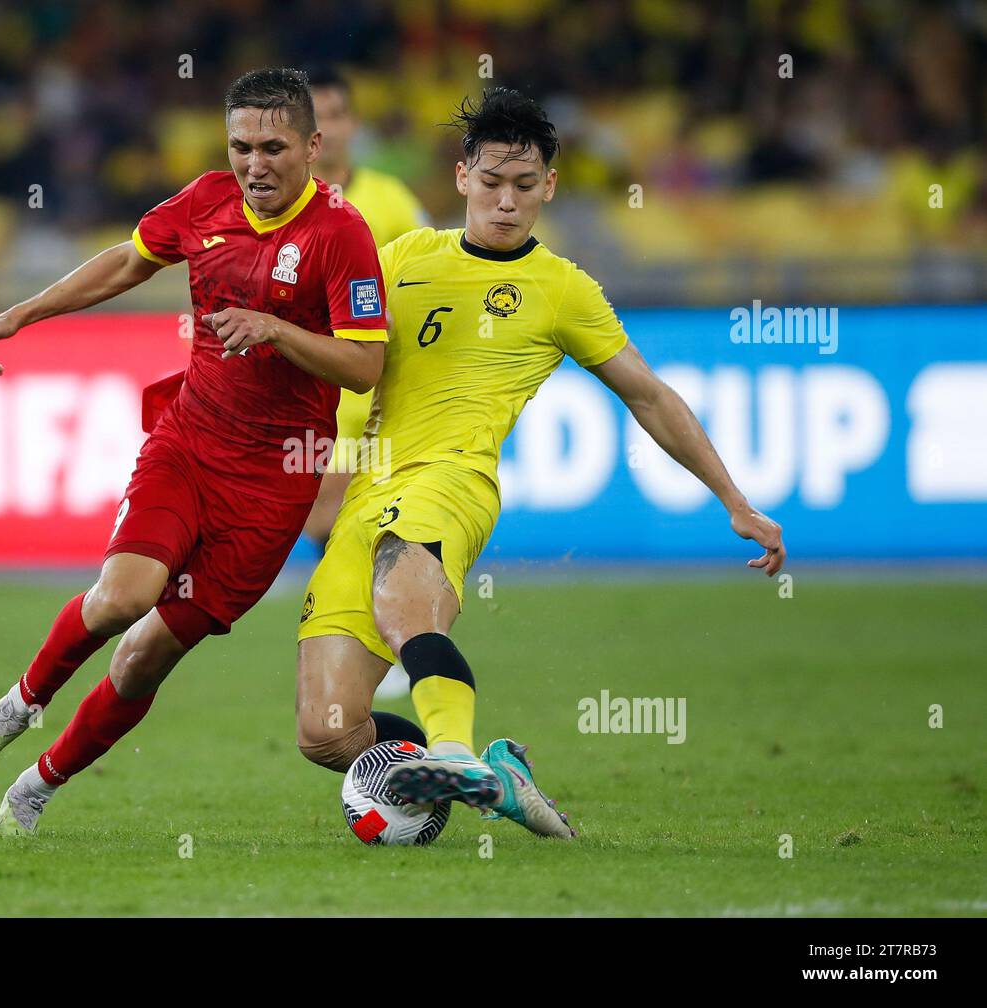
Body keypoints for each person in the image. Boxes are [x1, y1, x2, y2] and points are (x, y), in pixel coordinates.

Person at [294, 88, 786, 838]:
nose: (506, 202)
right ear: (462, 178)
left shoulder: (562, 289)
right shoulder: (402, 259)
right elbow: (328, 349)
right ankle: (493, 770)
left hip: (453, 480)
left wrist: (734, 499)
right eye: (491, 183)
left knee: (403, 604)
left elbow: (649, 395)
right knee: (327, 731)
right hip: (368, 487)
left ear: (549, 186)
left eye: (525, 187)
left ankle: (453, 751)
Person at [0, 68, 414, 837]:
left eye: (273, 148)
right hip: (191, 443)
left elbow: (364, 364)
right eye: (240, 147)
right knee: (123, 596)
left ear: (312, 146)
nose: (255, 165)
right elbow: (129, 260)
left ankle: (34, 789)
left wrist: (276, 331)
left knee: (140, 660)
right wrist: (19, 315)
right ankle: (16, 705)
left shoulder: (344, 233)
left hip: (272, 489)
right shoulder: (205, 201)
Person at [305, 65, 430, 700]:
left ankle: (388, 643)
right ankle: (377, 637)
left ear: (351, 123)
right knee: (325, 518)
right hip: (312, 385)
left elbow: (432, 278)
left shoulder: (391, 199)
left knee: (374, 519)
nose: (325, 128)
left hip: (375, 386)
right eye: (314, 117)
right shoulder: (287, 202)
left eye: (334, 114)